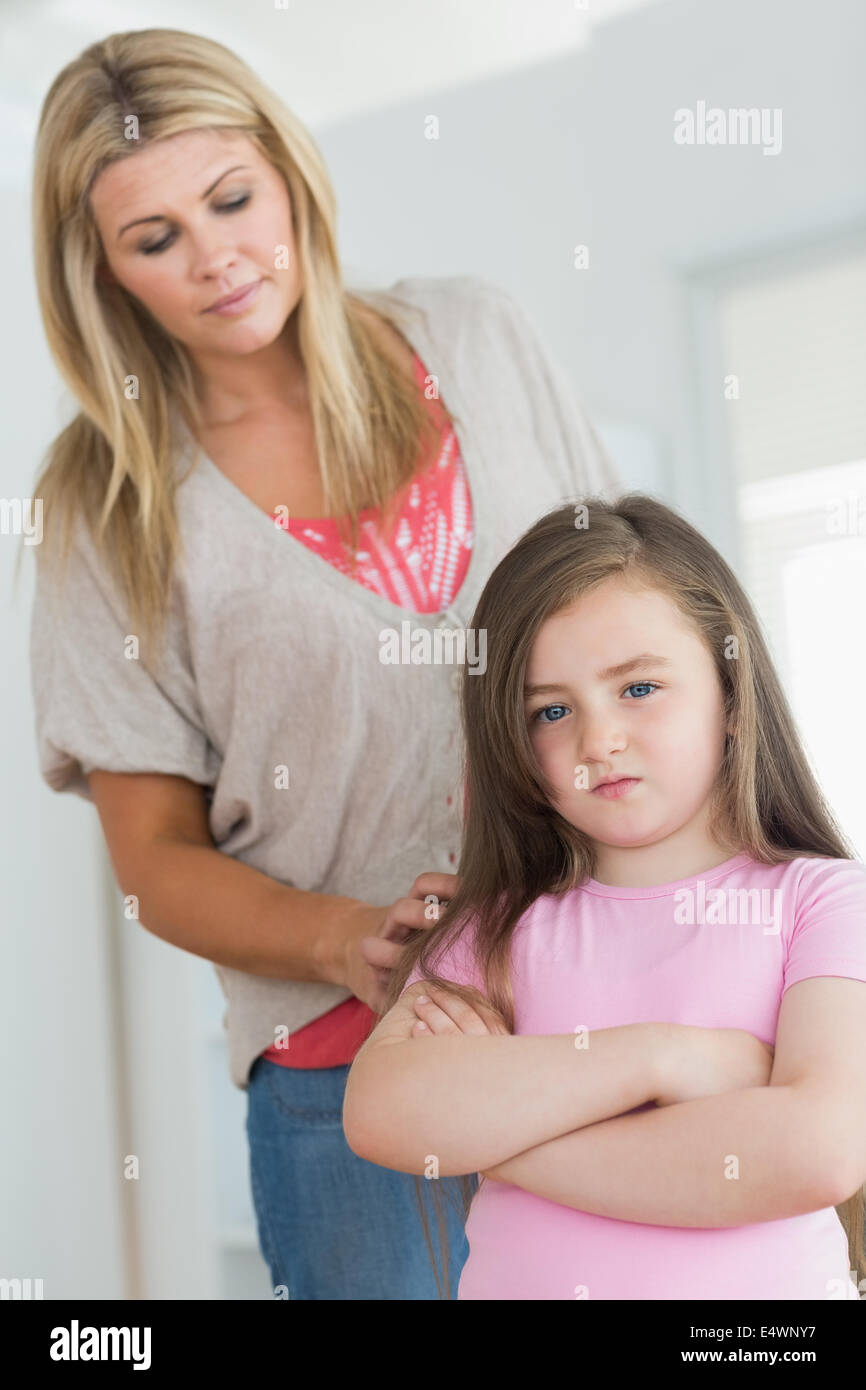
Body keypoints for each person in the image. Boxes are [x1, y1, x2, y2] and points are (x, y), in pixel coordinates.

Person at [27, 29, 620, 1299]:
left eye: (232, 199)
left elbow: (642, 636)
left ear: (287, 174)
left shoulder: (476, 333)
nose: (216, 259)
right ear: (103, 275)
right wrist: (348, 939)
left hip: (600, 997)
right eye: (155, 238)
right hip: (347, 1069)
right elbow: (153, 868)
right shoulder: (101, 505)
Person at [345, 493, 866, 1301]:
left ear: (730, 691)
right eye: (551, 711)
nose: (599, 740)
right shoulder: (494, 926)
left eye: (639, 689)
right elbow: (384, 1112)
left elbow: (815, 1151)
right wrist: (670, 1057)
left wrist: (501, 1137)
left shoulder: (823, 903)